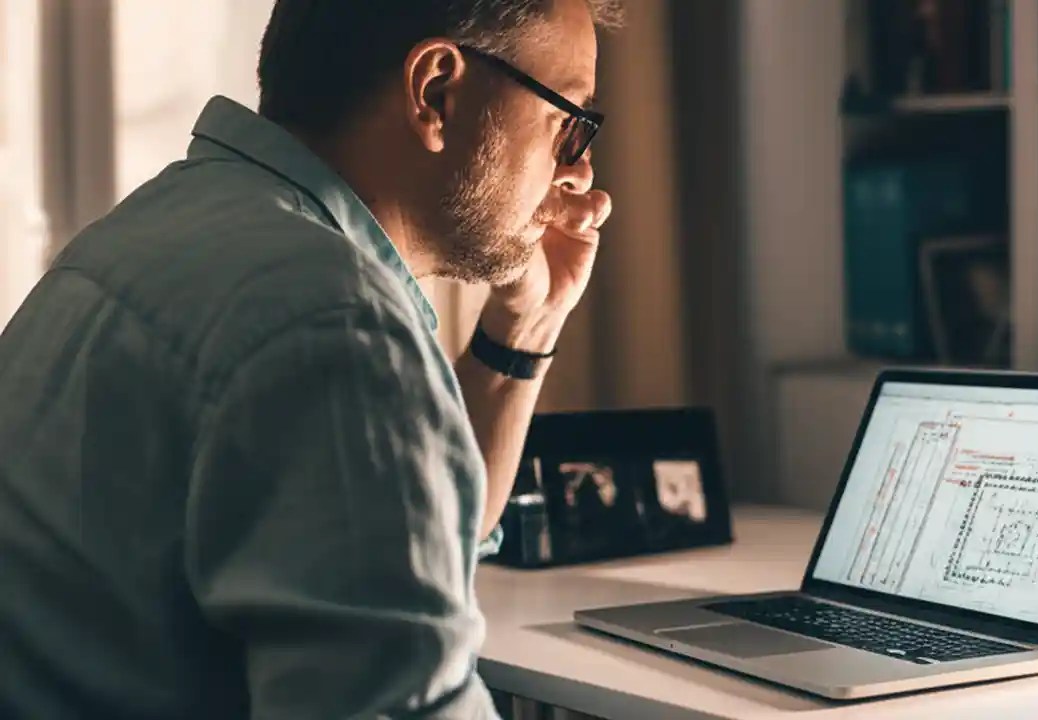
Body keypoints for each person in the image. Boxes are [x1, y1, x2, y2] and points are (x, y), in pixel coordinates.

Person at [0, 0, 621, 717]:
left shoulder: (158, 230)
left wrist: (528, 323)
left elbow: (427, 536)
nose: (579, 171)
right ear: (436, 93)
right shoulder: (334, 328)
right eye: (568, 121)